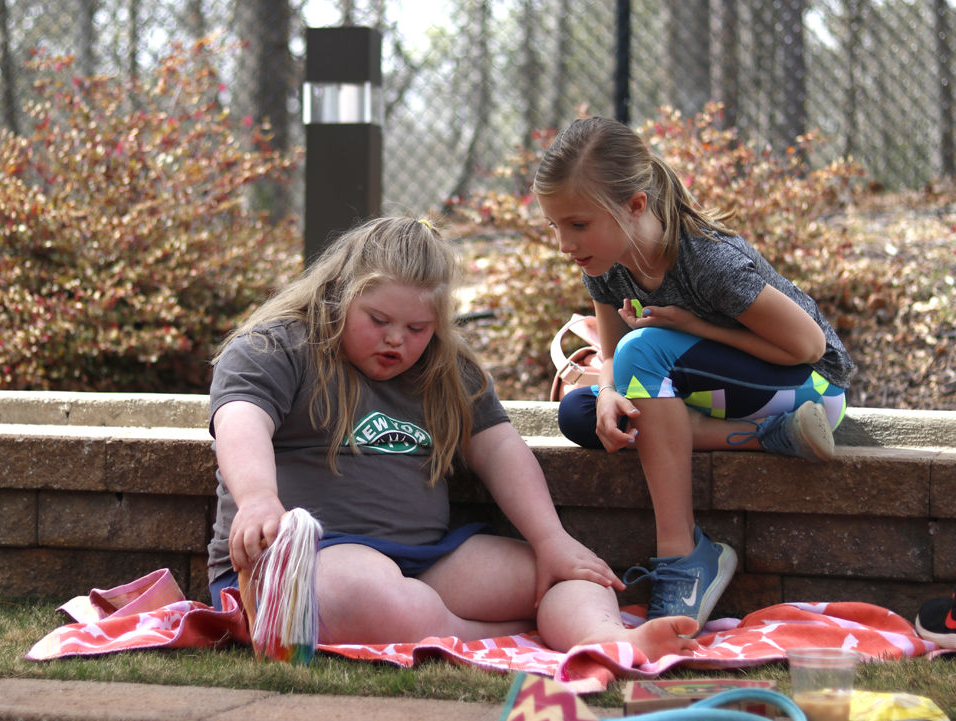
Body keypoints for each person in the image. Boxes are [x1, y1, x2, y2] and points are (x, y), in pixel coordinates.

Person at [205, 215, 699, 661]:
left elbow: (500, 449)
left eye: (417, 327)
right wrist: (257, 498)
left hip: (427, 559)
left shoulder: (446, 368)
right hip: (305, 564)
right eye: (378, 320)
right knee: (362, 593)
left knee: (575, 573)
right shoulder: (275, 345)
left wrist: (551, 540)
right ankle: (483, 634)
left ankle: (606, 639)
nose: (396, 339)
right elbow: (241, 419)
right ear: (338, 294)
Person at [533, 116, 855, 630]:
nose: (564, 243)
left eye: (577, 224)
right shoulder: (606, 264)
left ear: (635, 205)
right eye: (554, 226)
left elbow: (809, 347)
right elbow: (612, 354)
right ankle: (767, 436)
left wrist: (693, 326)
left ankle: (685, 557)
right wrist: (610, 391)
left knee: (643, 351)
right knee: (579, 412)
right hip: (739, 400)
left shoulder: (707, 261)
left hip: (810, 388)